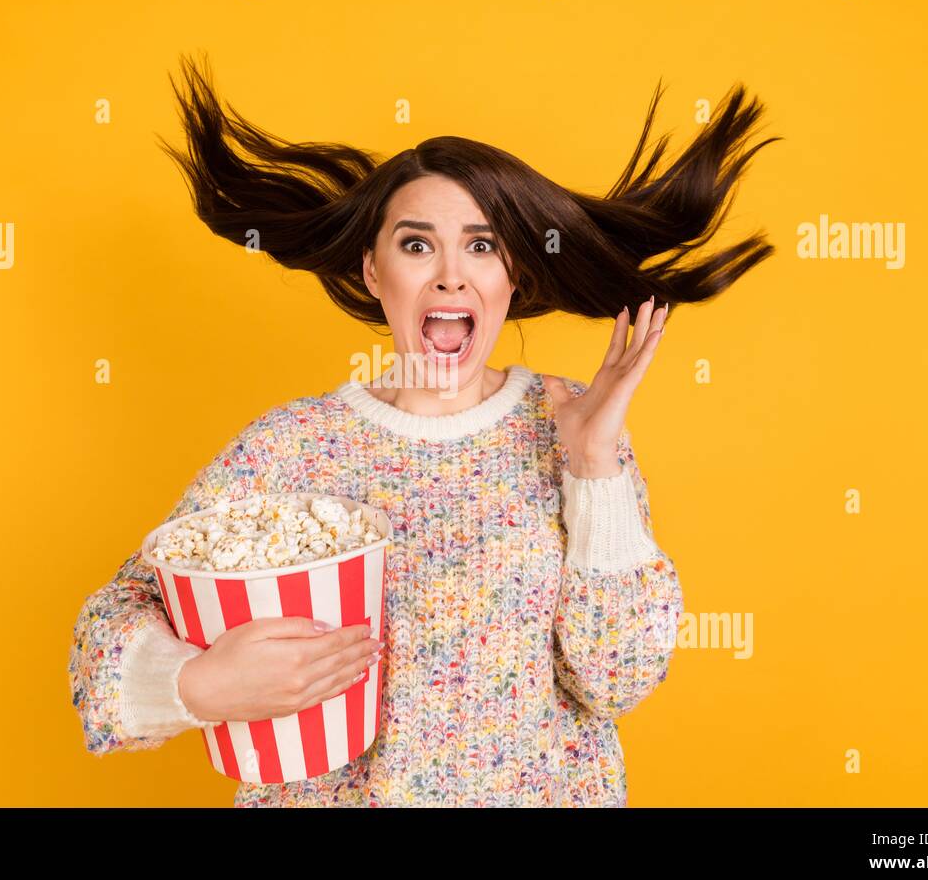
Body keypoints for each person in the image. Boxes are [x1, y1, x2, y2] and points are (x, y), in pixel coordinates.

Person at [68, 52, 781, 806]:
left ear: (515, 274)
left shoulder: (568, 425)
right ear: (375, 273)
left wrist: (594, 464)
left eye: (482, 245)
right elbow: (107, 631)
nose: (450, 275)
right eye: (416, 245)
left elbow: (617, 680)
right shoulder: (289, 448)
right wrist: (196, 684)